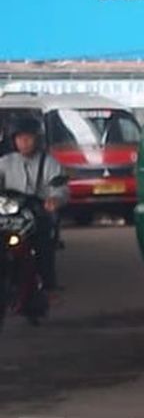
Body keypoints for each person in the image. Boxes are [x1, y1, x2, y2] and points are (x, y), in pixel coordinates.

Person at [0, 116, 67, 290]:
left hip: (38, 215)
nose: (24, 142)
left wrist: (55, 199)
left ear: (37, 139)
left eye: (28, 137)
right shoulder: (5, 163)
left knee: (44, 246)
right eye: (19, 138)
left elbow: (60, 188)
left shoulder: (50, 163)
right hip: (10, 216)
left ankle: (48, 285)